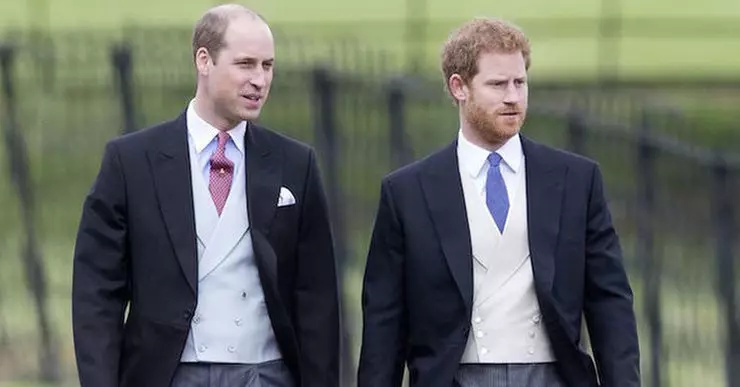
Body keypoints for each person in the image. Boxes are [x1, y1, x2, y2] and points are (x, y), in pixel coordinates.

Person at [358, 17, 640, 387]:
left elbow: (609, 301)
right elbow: (385, 321)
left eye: (520, 83)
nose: (513, 97)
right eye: (497, 84)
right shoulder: (408, 192)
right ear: (459, 87)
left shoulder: (576, 180)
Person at [71, 4, 340, 387]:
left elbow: (317, 299)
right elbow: (97, 293)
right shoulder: (131, 162)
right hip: (168, 375)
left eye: (268, 66)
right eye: (245, 64)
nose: (260, 80)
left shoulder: (296, 164)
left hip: (267, 376)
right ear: (204, 60)